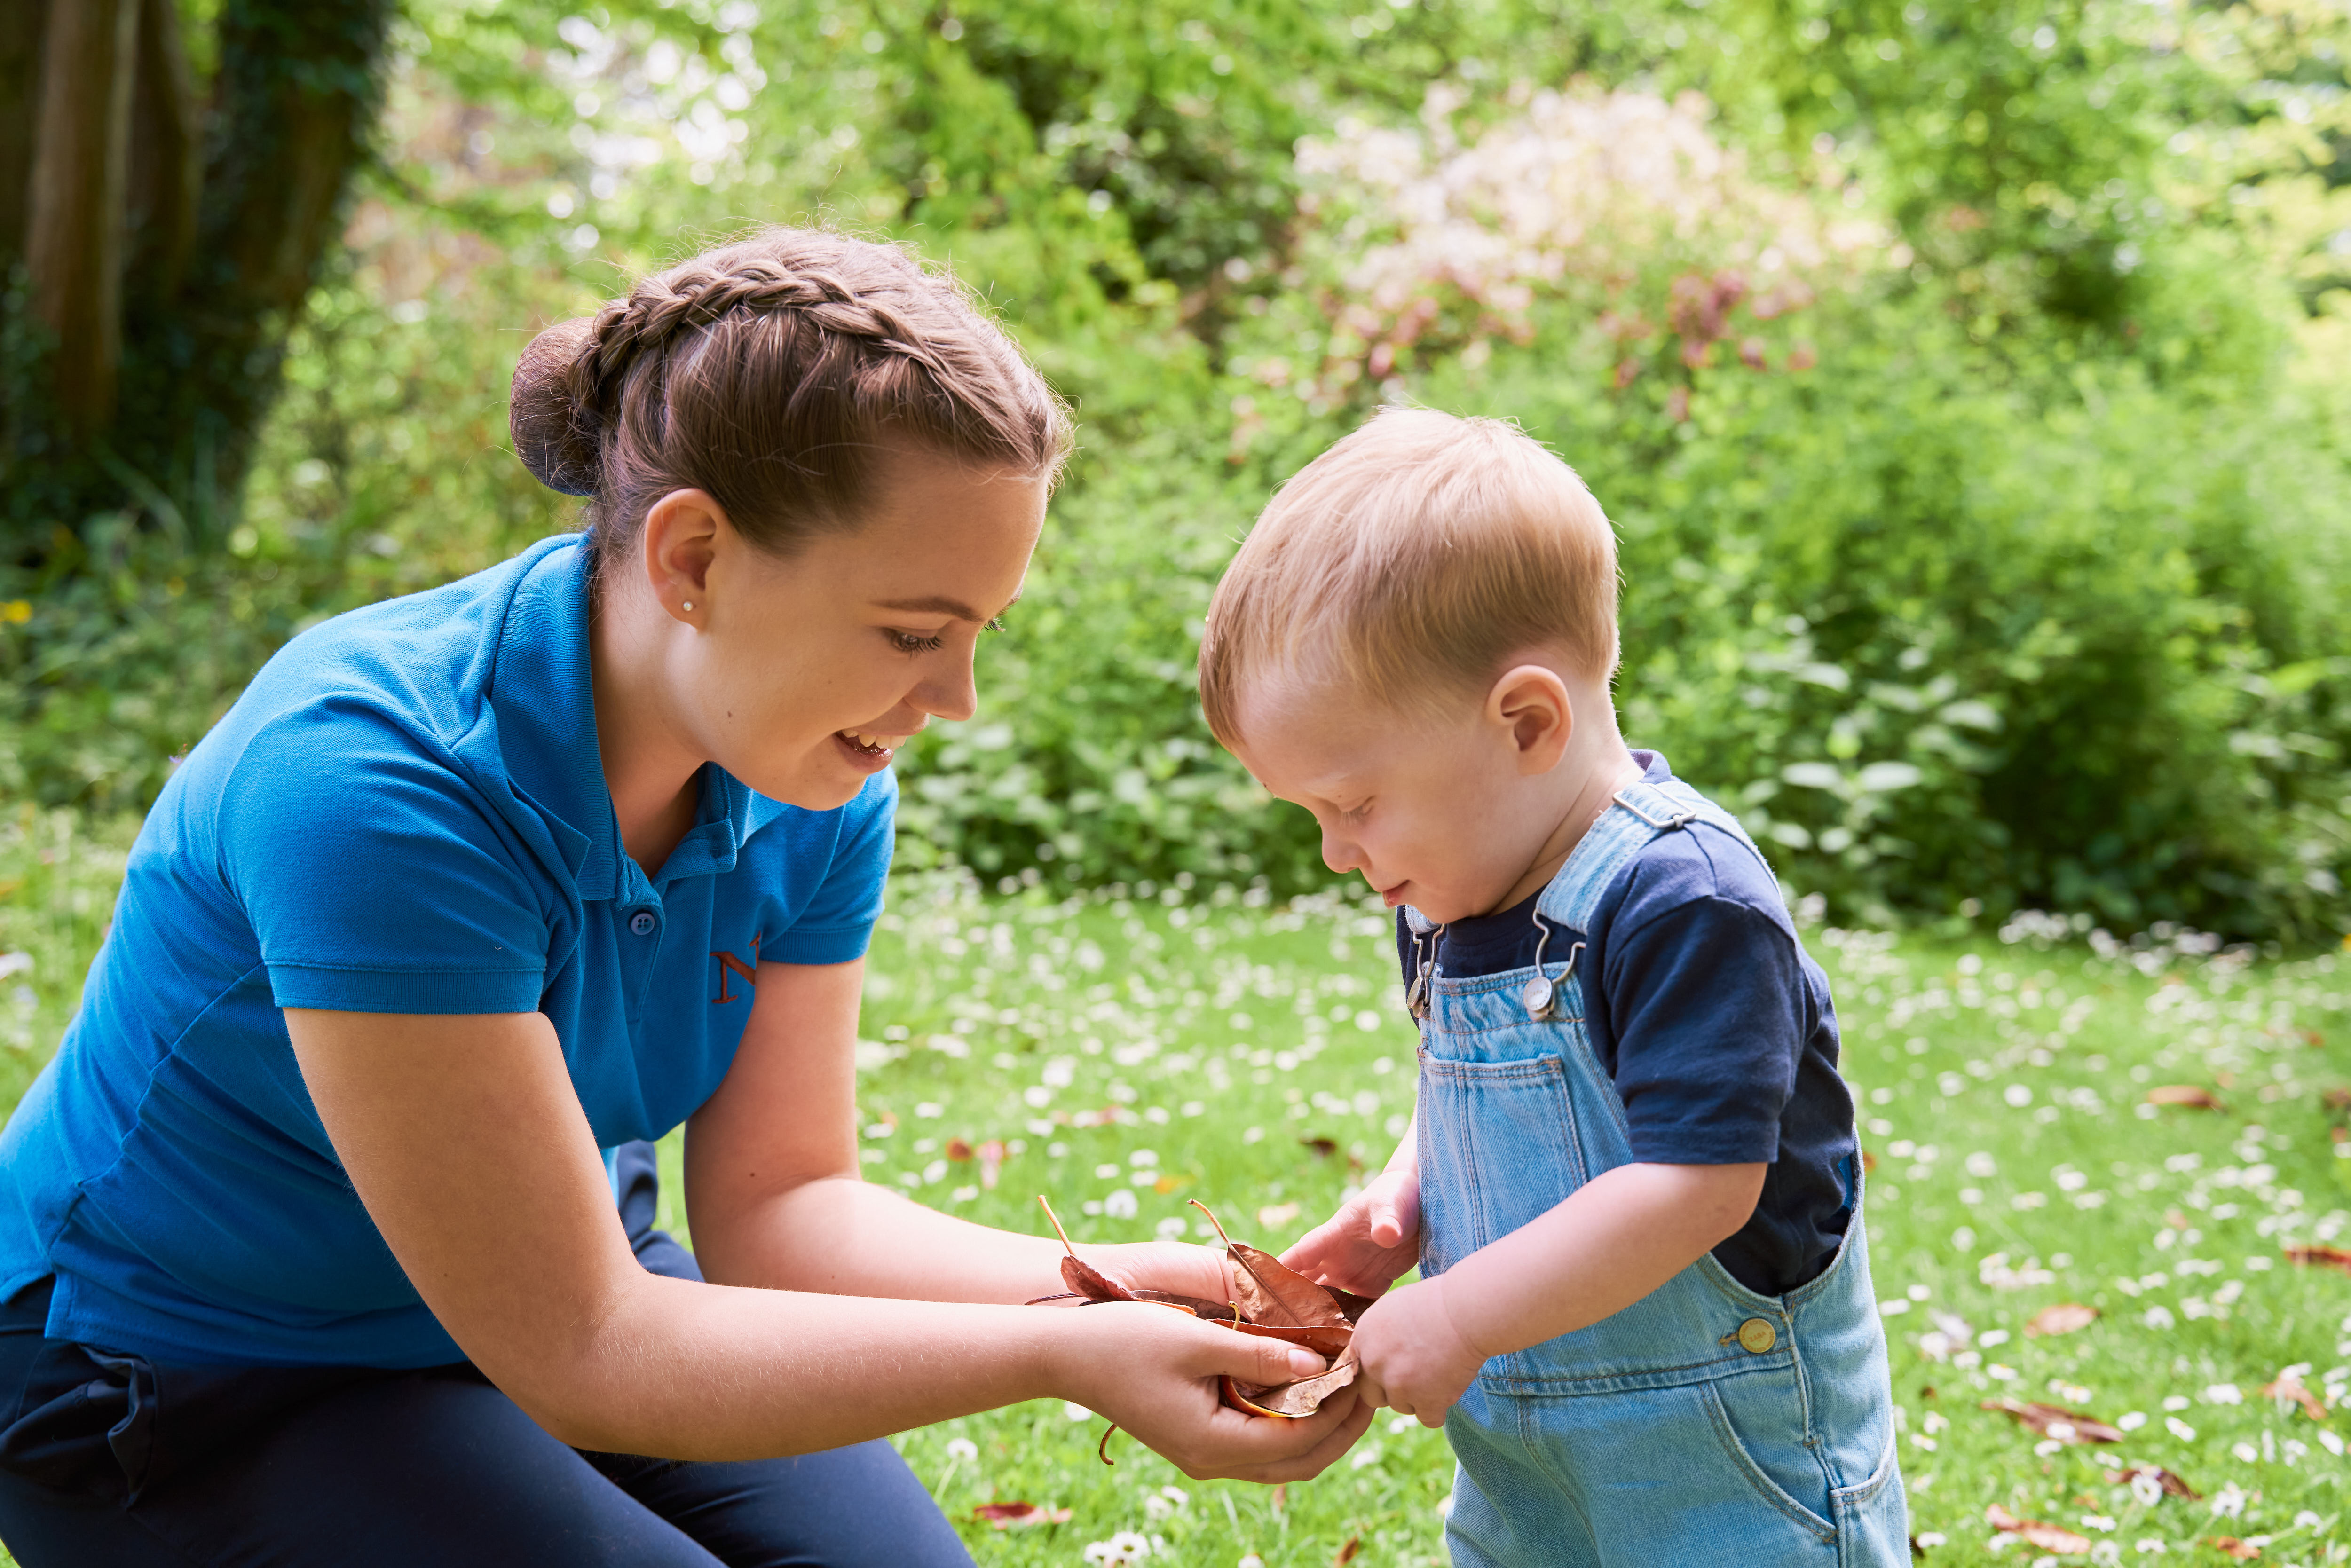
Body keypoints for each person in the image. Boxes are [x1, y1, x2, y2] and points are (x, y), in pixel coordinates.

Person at [0, 228, 1366, 1568]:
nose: (951, 702)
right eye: (910, 632)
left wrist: (1120, 1288)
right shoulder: (371, 780)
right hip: (184, 1376)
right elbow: (588, 1350)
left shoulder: (815, 780)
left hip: (569, 1287)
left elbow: (788, 1211)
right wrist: (1057, 1356)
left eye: (976, 635)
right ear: (693, 558)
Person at [1194, 408, 1908, 1565]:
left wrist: (1465, 1311)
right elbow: (1485, 1089)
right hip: (1524, 1471)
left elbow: (1698, 1186)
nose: (1334, 851)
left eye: (1354, 804)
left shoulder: (1685, 903)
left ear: (1526, 722)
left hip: (1730, 1468)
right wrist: (1406, 1197)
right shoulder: (1445, 895)